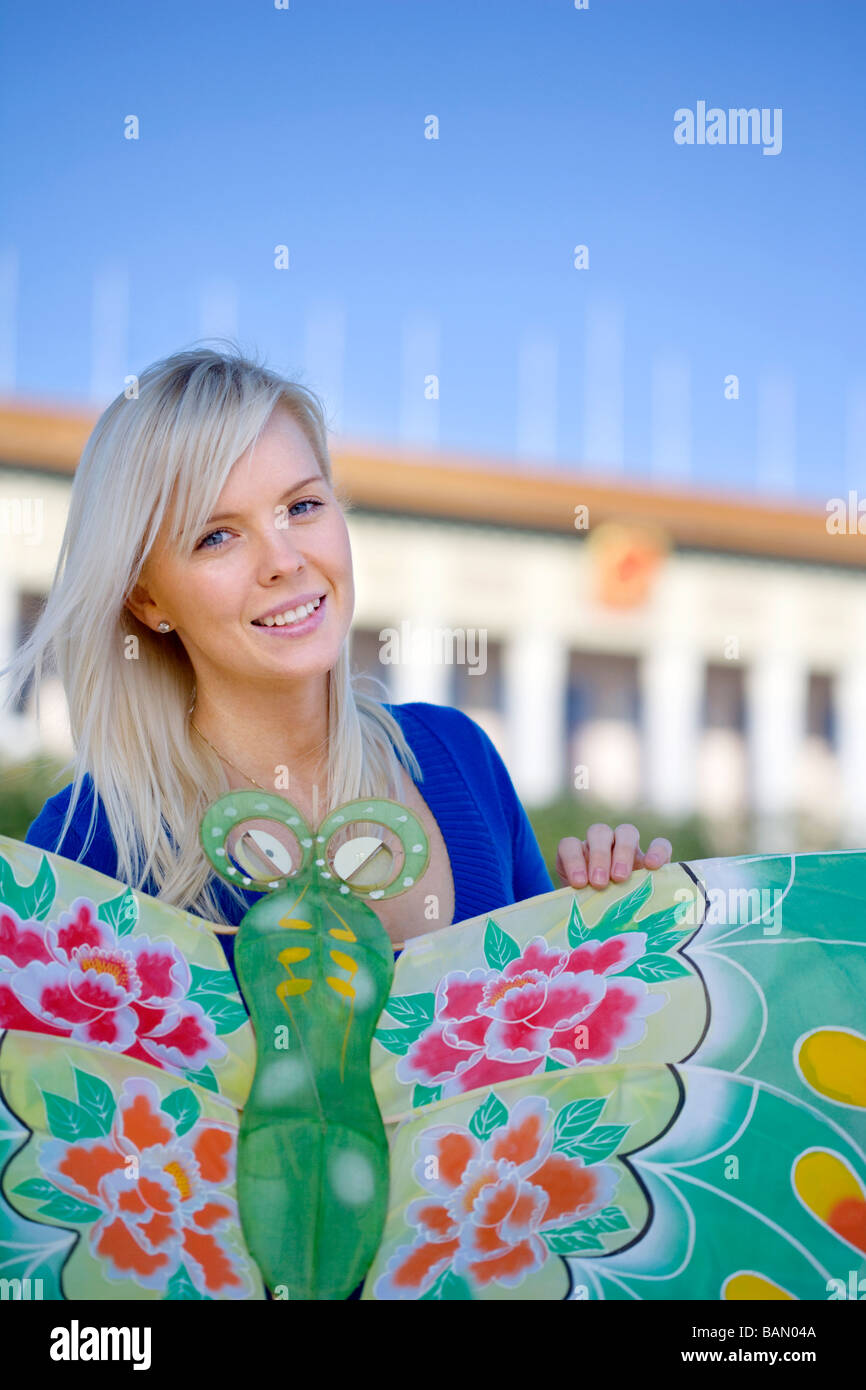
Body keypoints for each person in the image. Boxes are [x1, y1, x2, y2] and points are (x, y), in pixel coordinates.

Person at [5, 342, 674, 1298]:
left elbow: (557, 1103)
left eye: (303, 505)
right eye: (216, 536)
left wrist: (611, 934)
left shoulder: (458, 760)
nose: (287, 560)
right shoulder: (87, 841)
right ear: (147, 598)